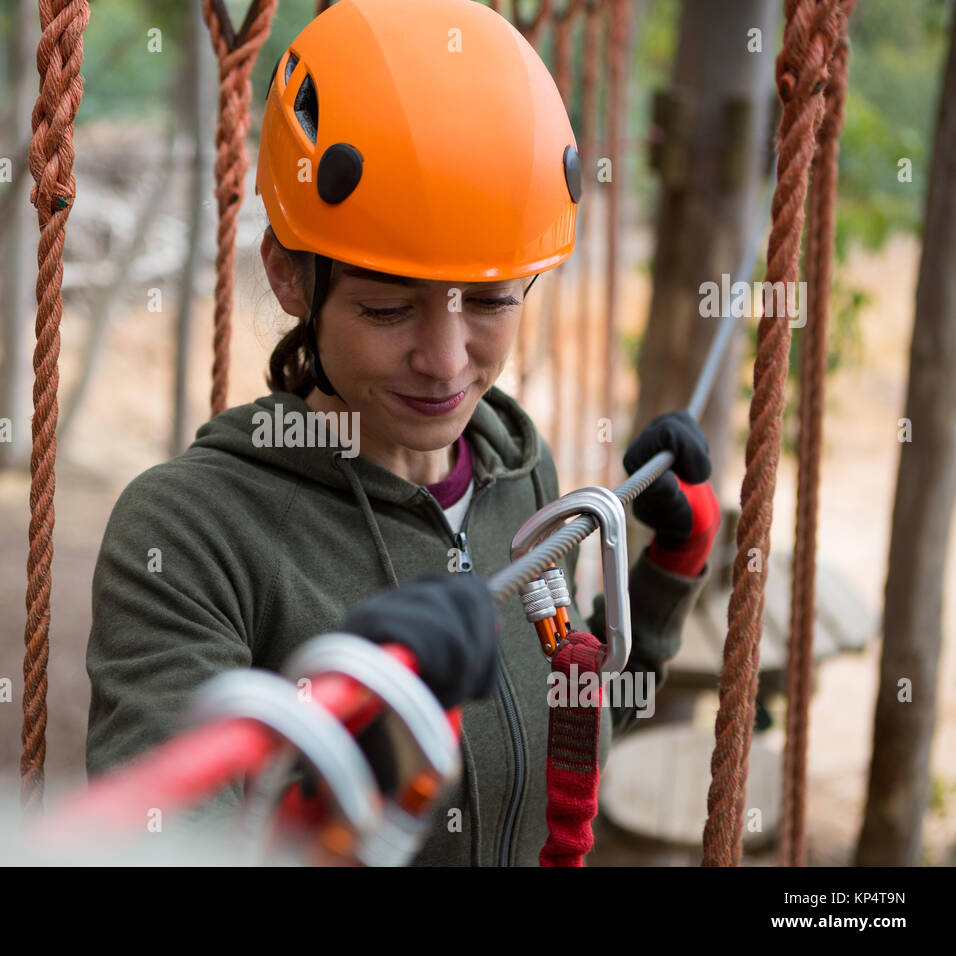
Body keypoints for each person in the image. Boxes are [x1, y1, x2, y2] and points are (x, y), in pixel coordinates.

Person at [84, 0, 720, 866]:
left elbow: (555, 741)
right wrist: (364, 745)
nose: (448, 361)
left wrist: (664, 577)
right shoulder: (191, 534)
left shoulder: (519, 475)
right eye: (389, 308)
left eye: (493, 301)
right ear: (290, 276)